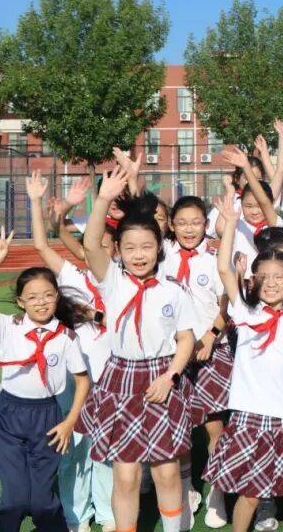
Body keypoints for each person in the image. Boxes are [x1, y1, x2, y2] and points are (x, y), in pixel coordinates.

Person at [76, 169, 197, 532]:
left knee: (166, 471)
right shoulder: (112, 279)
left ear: (159, 246)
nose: (138, 255)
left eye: (146, 246)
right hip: (121, 379)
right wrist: (102, 199)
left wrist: (170, 377)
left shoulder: (173, 290)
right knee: (126, 475)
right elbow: (90, 244)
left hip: (162, 376)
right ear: (118, 250)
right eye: (129, 248)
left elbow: (186, 340)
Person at [204, 196, 283, 532]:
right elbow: (223, 269)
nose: (272, 282)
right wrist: (230, 226)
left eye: (280, 276)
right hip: (251, 416)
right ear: (253, 280)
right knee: (250, 493)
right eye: (265, 276)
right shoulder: (246, 311)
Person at [26, 172, 115, 532]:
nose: (101, 251)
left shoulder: (123, 282)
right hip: (74, 379)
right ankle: (76, 515)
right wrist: (37, 202)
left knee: (106, 449)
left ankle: (108, 513)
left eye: (108, 246)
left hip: (111, 380)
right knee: (73, 450)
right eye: (96, 245)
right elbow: (41, 245)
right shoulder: (72, 277)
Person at [0, 232, 91, 532]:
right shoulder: (8, 327)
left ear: (57, 296)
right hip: (8, 417)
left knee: (43, 502)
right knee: (15, 500)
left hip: (48, 418)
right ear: (20, 302)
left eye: (47, 295)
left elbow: (82, 380)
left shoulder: (66, 337)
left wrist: (70, 421)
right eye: (32, 297)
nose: (41, 302)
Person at [164, 196, 231, 528]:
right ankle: (187, 488)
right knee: (180, 427)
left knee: (214, 425)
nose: (189, 229)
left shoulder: (216, 258)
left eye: (195, 222)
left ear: (206, 224)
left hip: (210, 350)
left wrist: (211, 336)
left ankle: (217, 491)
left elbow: (227, 304)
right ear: (171, 225)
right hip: (174, 353)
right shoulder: (162, 257)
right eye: (182, 223)